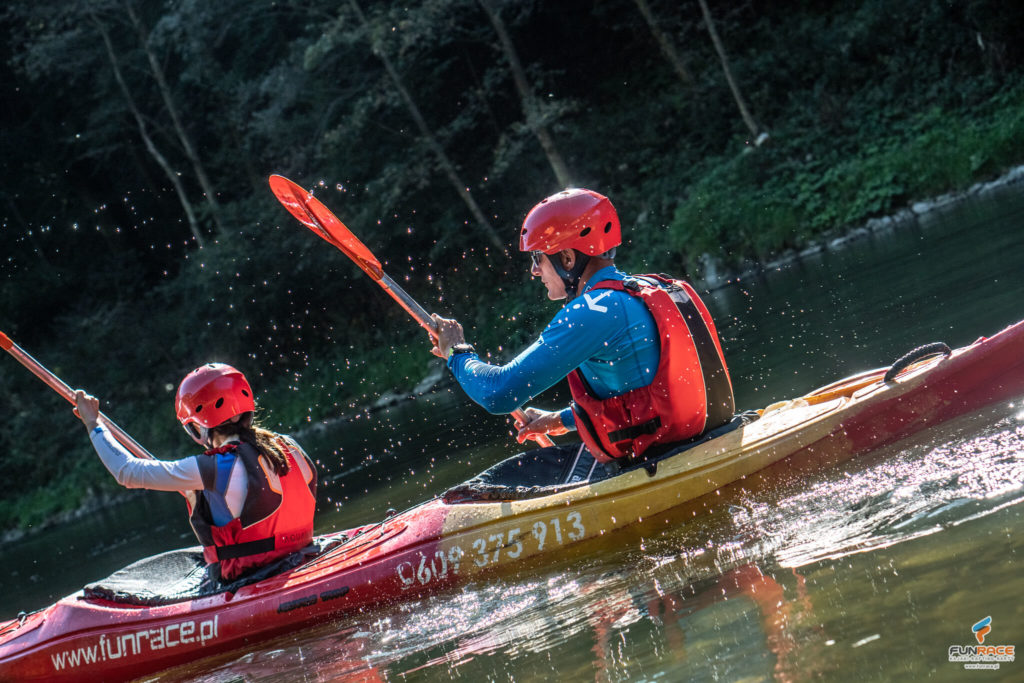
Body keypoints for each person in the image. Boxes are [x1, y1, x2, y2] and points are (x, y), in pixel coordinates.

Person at [430, 188, 734, 464]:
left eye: (538, 258)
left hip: (666, 458)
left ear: (566, 257)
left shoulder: (591, 311)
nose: (534, 271)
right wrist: (561, 420)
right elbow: (645, 389)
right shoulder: (651, 287)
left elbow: (498, 393)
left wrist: (457, 352)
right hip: (710, 438)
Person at [73, 363, 317, 582]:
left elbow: (126, 472)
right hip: (303, 554)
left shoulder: (212, 467)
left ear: (196, 426)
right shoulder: (289, 445)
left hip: (250, 575)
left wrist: (94, 424)